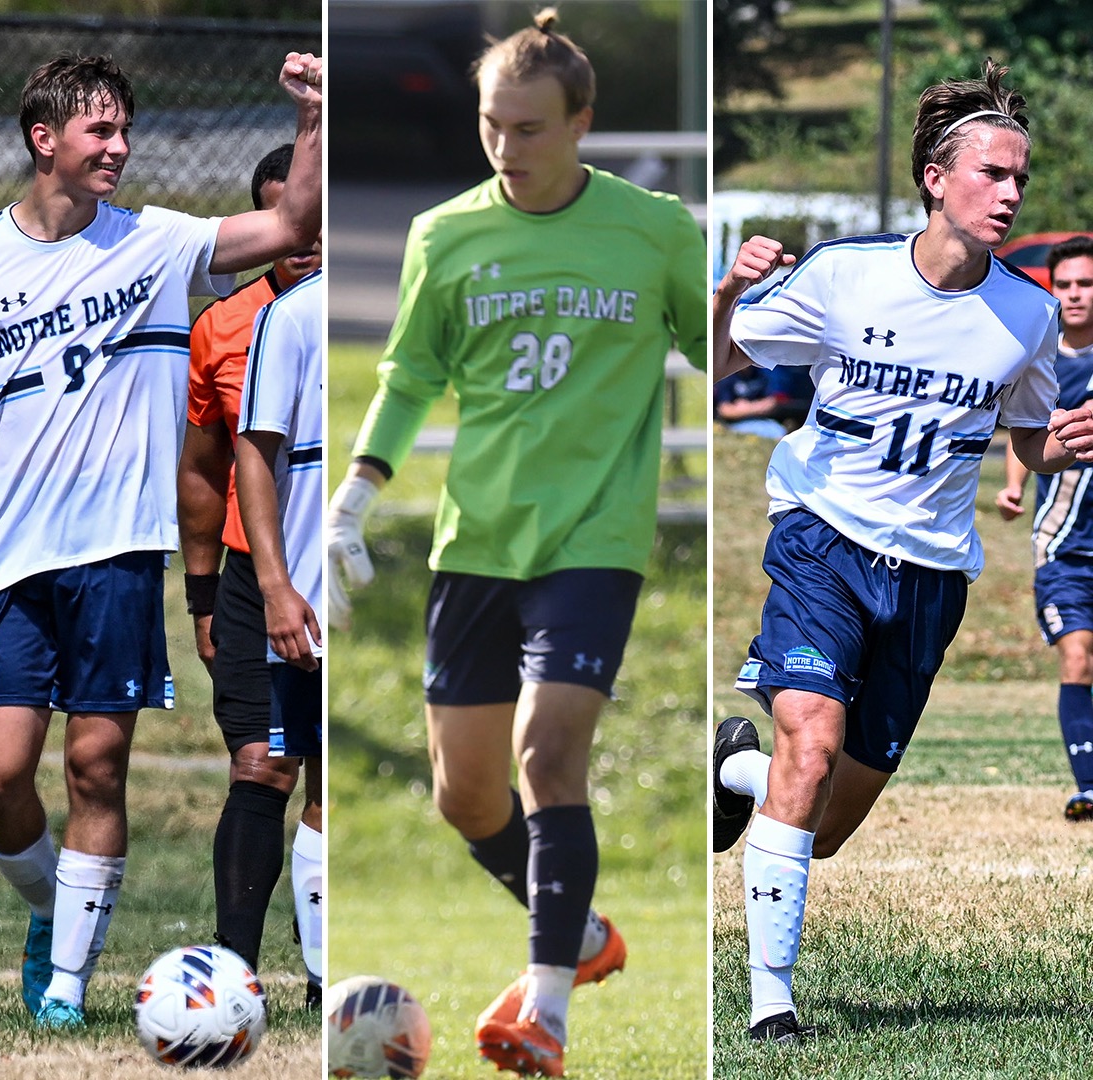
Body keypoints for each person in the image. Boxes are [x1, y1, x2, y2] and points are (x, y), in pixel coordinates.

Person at [323, 10, 702, 1075]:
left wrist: (741, 315)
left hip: (595, 539)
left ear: (582, 122)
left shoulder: (654, 228)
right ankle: (579, 934)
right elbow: (409, 377)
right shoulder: (444, 235)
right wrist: (355, 494)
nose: (507, 147)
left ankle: (548, 1013)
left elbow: (714, 349)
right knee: (466, 796)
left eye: (530, 128)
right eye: (493, 125)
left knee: (549, 754)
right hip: (475, 544)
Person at [710, 60, 1093, 1045]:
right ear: (935, 177)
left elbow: (1030, 441)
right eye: (992, 173)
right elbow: (717, 360)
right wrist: (728, 292)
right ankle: (770, 1006)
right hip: (822, 540)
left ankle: (737, 777)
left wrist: (1064, 446)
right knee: (810, 745)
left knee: (826, 823)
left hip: (930, 576)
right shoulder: (846, 273)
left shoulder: (1028, 314)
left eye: (1020, 177)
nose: (1010, 193)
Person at [0, 50, 321, 1028]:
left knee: (95, 769)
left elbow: (291, 225)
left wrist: (314, 119)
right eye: (99, 130)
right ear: (45, 139)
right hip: (8, 560)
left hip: (116, 555)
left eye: (124, 130)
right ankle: (47, 910)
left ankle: (67, 989)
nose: (118, 147)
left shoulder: (158, 242)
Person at [177, 143, 323, 1004]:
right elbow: (204, 471)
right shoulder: (225, 326)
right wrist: (203, 596)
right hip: (252, 578)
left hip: (339, 571)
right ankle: (233, 967)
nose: (305, 239)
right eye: (288, 221)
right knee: (263, 765)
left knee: (332, 776)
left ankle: (323, 976)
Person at [230, 265, 326, 1003]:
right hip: (316, 592)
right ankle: (322, 980)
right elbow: (252, 454)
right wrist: (276, 587)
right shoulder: (290, 316)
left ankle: (331, 981)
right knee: (307, 772)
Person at [994, 234, 1093, 821]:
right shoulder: (1043, 358)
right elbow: (1024, 432)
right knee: (1077, 656)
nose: (1075, 294)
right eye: (1066, 284)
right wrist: (1013, 486)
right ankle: (1089, 786)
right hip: (1063, 545)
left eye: (1087, 283)